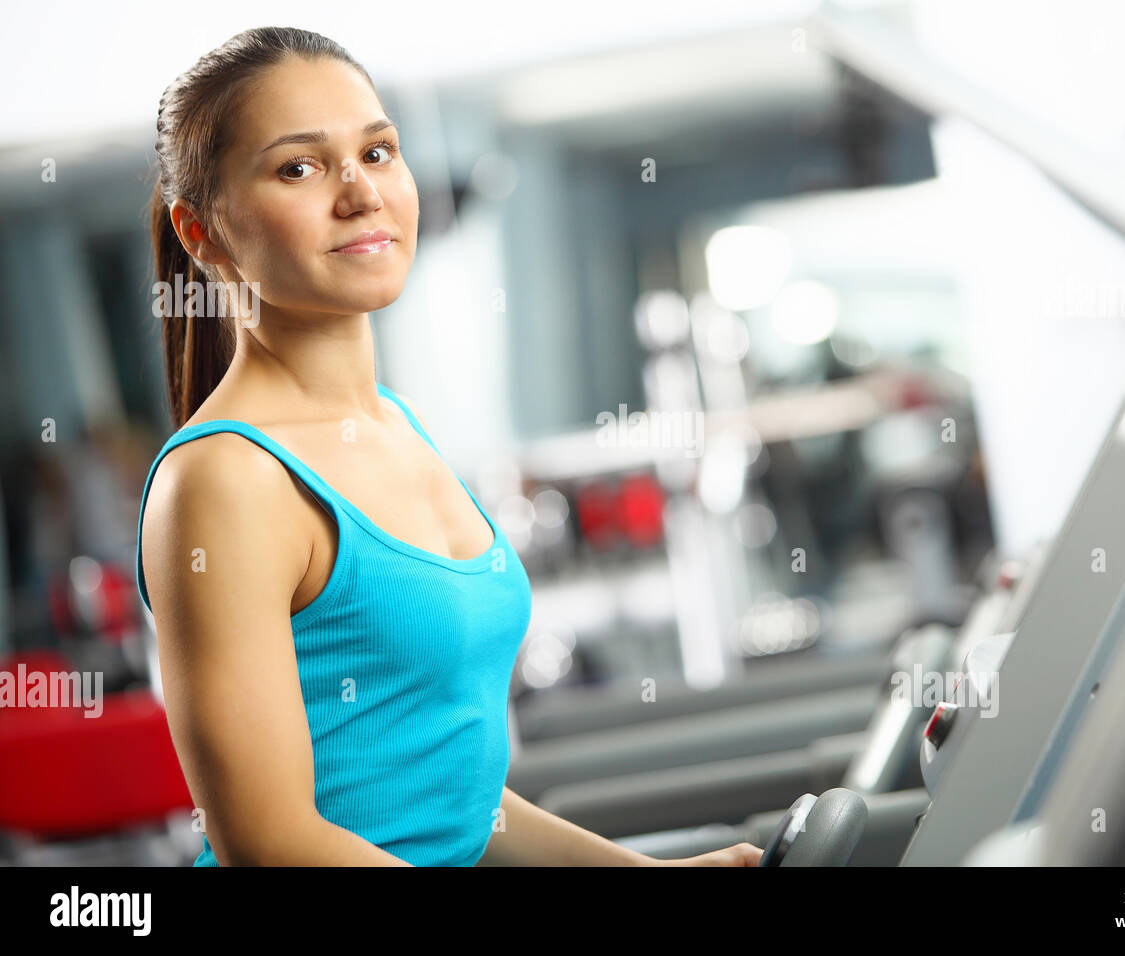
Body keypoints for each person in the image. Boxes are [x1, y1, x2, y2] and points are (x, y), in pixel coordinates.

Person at [137, 26, 760, 867]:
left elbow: (451, 802)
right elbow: (272, 844)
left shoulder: (398, 426)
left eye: (379, 151)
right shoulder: (224, 481)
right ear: (201, 233)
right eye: (299, 167)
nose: (360, 192)